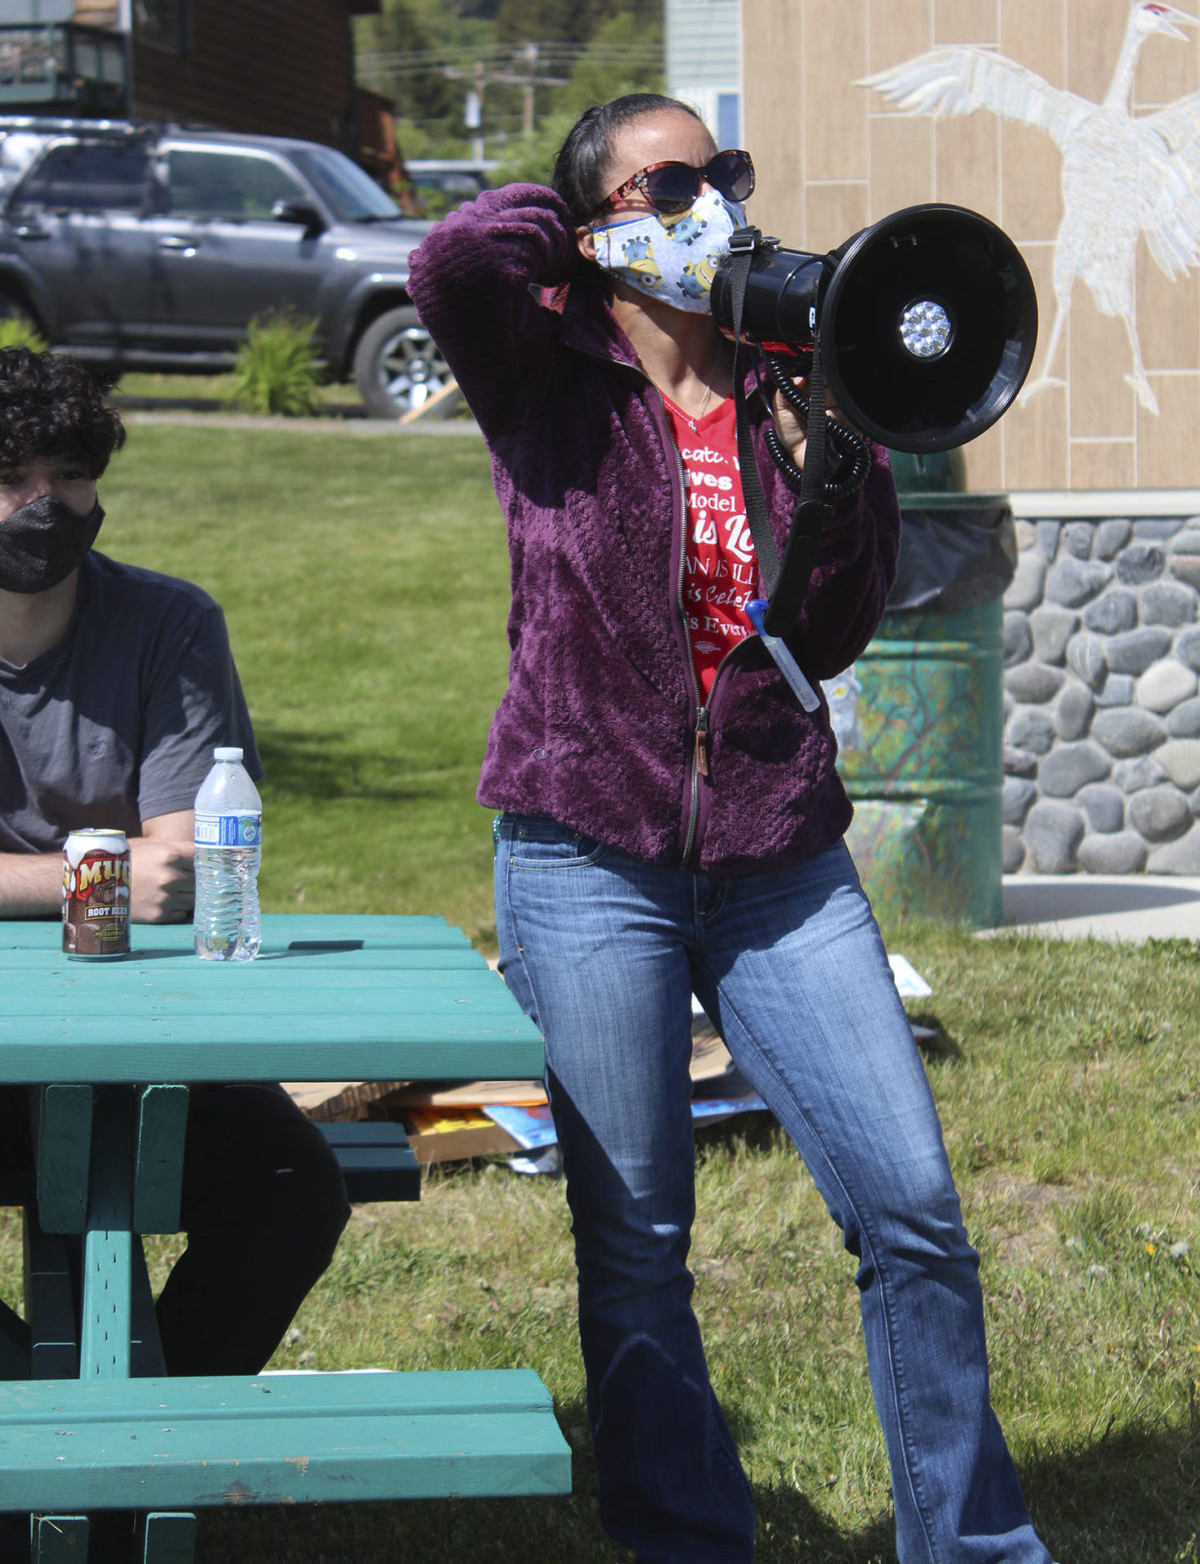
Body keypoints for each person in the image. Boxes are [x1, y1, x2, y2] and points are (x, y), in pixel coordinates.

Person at [408, 94, 1054, 1563]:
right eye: (675, 183)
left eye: (729, 178)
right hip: (587, 854)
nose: (716, 205)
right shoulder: (550, 373)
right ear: (609, 221)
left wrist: (832, 443)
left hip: (780, 859)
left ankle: (971, 1546)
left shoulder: (790, 380)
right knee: (637, 1250)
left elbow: (826, 635)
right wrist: (575, 233)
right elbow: (451, 263)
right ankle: (685, 1540)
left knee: (914, 1216)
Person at [0, 345, 349, 1377]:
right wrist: (83, 878)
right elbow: (134, 877)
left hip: (141, 1038)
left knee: (293, 1190)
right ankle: (42, 1442)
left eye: (66, 474)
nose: (43, 504)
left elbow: (184, 868)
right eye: (11, 477)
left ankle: (151, 1432)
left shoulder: (169, 623)